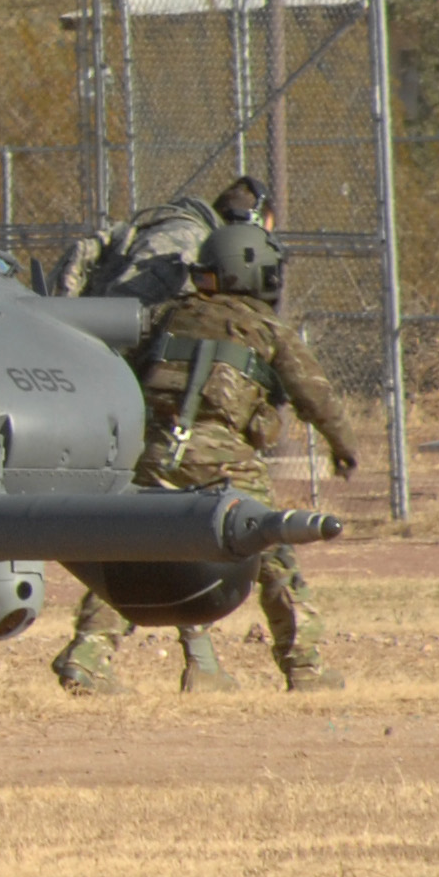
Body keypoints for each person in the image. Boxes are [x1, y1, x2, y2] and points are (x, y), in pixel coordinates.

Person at [52, 221, 364, 695]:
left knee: (131, 554)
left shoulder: (165, 316)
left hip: (154, 454)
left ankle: (89, 656)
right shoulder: (267, 329)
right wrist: (343, 448)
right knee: (274, 555)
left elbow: (122, 373)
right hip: (224, 462)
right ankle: (305, 666)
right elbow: (315, 396)